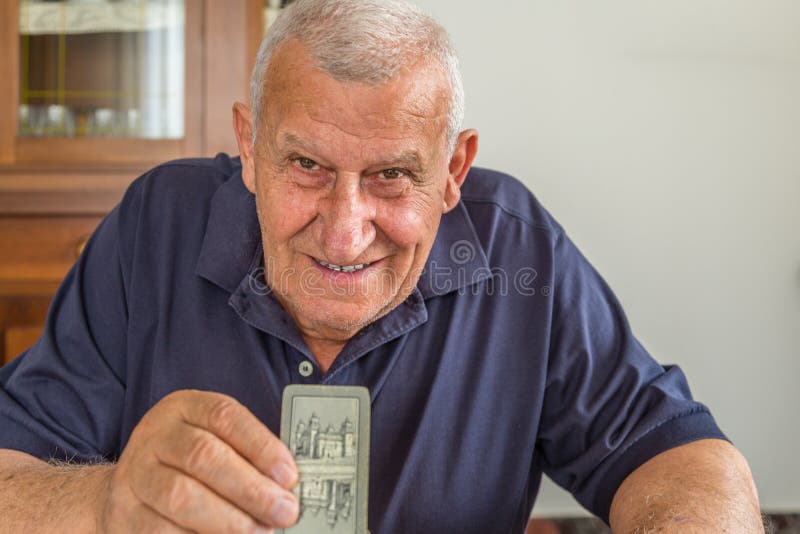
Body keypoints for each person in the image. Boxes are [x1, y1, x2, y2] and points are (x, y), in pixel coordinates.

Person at [0, 0, 763, 532]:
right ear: (251, 147)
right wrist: (105, 504)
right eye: (306, 165)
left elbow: (679, 455)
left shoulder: (517, 247)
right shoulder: (157, 222)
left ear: (454, 169)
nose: (343, 235)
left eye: (392, 175)